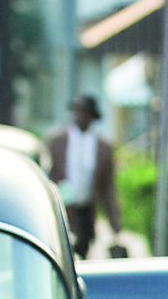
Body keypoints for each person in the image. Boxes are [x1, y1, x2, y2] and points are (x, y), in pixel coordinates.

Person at [45, 95, 121, 258]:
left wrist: (115, 224)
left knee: (82, 251)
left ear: (92, 117)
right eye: (78, 112)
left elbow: (108, 188)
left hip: (86, 209)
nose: (81, 116)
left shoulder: (103, 147)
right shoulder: (57, 141)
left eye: (85, 113)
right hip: (63, 207)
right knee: (60, 249)